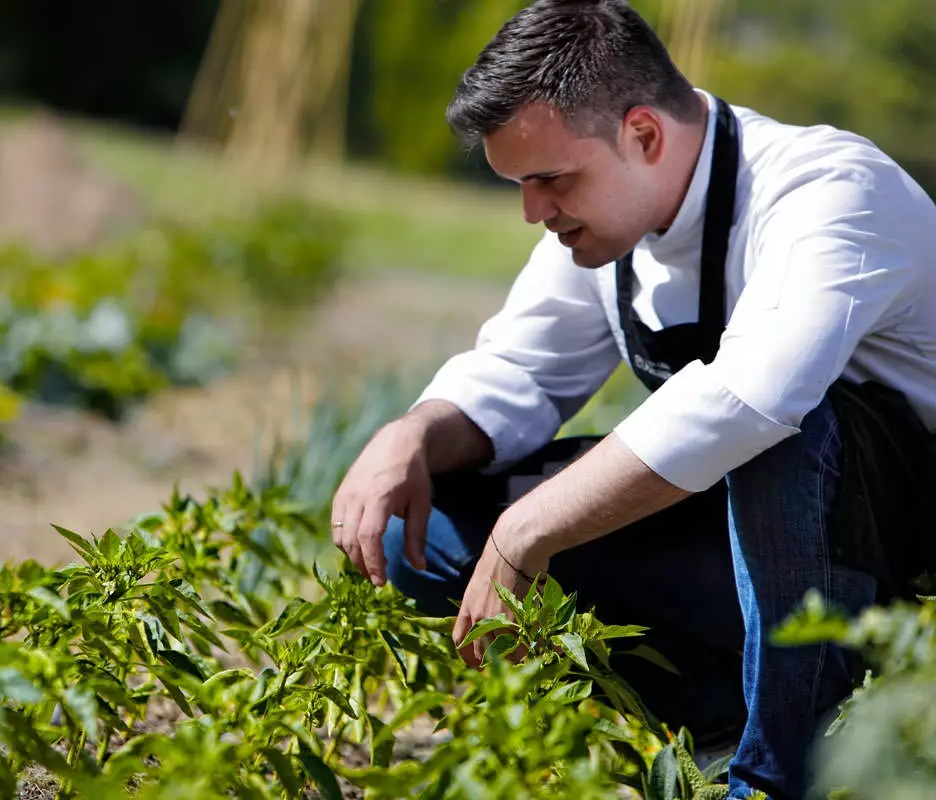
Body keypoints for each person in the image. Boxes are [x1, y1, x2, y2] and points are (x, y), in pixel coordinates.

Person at [328, 1, 936, 798]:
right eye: (519, 186)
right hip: (750, 560)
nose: (532, 211)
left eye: (549, 180)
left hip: (894, 561)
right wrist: (408, 436)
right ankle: (720, 720)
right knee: (429, 528)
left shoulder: (829, 191)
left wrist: (529, 528)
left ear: (643, 134)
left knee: (776, 433)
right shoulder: (608, 231)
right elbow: (523, 374)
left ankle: (784, 776)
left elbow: (749, 402)